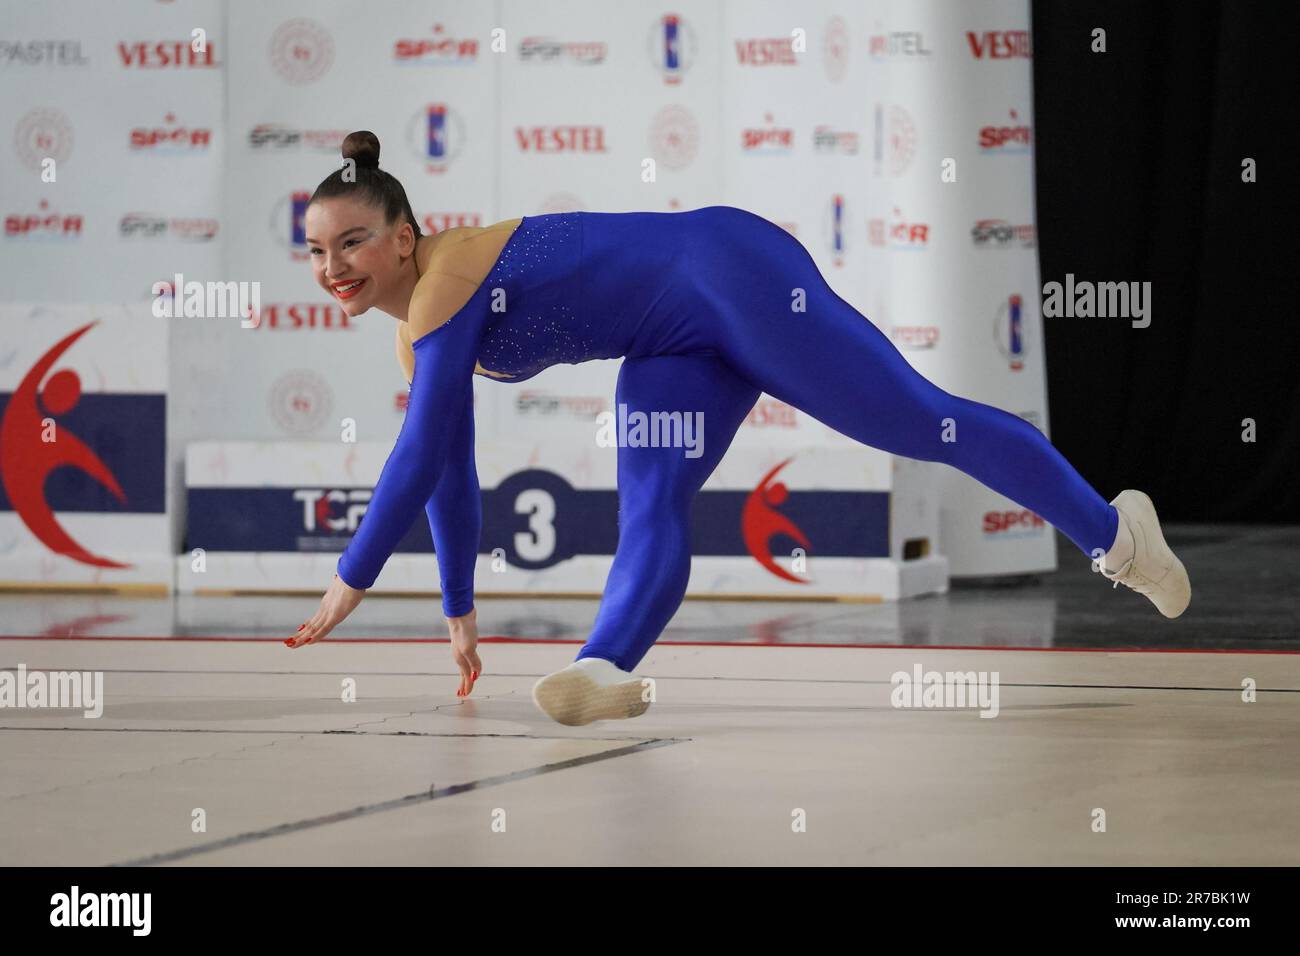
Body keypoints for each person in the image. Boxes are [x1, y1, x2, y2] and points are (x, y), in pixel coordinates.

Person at [283, 130, 1191, 726]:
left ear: (404, 237)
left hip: (734, 275)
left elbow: (413, 456)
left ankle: (1117, 533)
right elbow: (445, 469)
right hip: (667, 343)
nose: (334, 267)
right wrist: (456, 608)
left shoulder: (443, 284)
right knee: (653, 500)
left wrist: (350, 577)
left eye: (352, 241)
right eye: (318, 250)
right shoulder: (423, 341)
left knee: (925, 424)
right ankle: (603, 670)